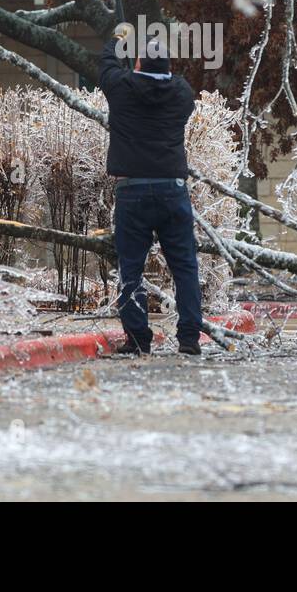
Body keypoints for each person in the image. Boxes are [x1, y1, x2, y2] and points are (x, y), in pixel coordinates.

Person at [99, 21, 203, 355]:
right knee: (185, 266)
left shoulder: (123, 88)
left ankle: (138, 339)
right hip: (173, 190)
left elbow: (107, 66)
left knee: (131, 268)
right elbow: (163, 83)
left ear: (139, 63)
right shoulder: (182, 93)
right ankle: (188, 339)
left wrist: (119, 38)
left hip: (132, 191)